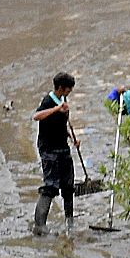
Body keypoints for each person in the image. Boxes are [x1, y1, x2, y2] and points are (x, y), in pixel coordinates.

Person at [31, 72, 79, 234]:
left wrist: (72, 139)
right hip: (49, 149)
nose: (69, 92)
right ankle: (39, 225)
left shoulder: (63, 100)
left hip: (63, 147)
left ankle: (69, 221)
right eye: (68, 90)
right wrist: (56, 109)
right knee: (51, 186)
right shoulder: (48, 101)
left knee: (68, 185)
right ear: (60, 88)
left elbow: (62, 125)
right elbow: (36, 116)